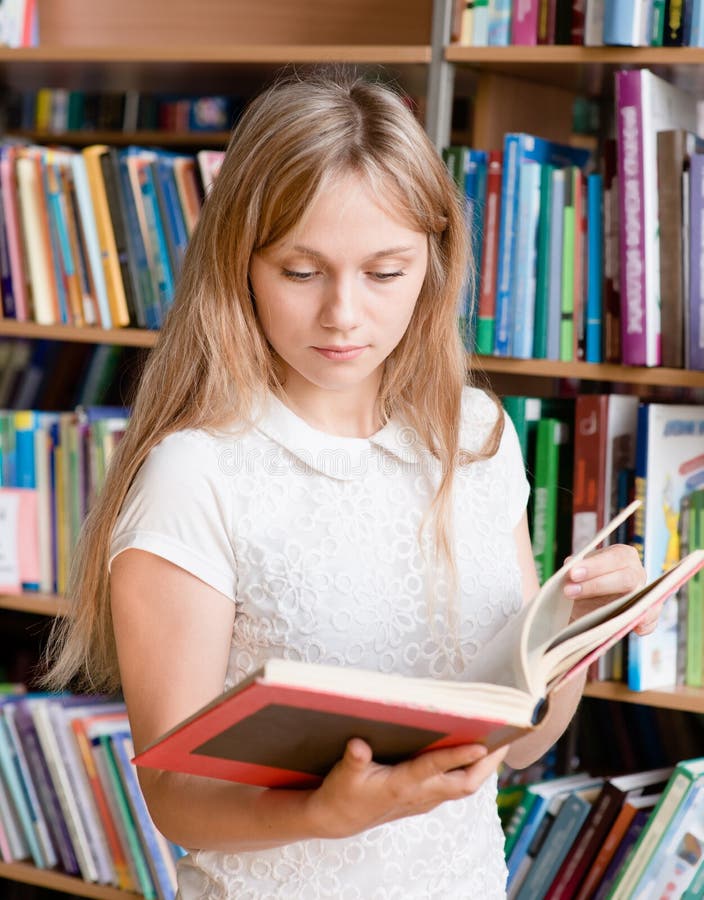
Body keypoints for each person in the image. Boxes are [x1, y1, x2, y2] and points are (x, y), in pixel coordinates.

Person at [45, 69, 652, 899]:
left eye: (385, 272)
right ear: (241, 265)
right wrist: (328, 814)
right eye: (301, 272)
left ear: (435, 264)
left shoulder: (477, 436)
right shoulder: (198, 472)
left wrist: (572, 639)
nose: (343, 314)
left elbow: (515, 747)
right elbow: (175, 799)